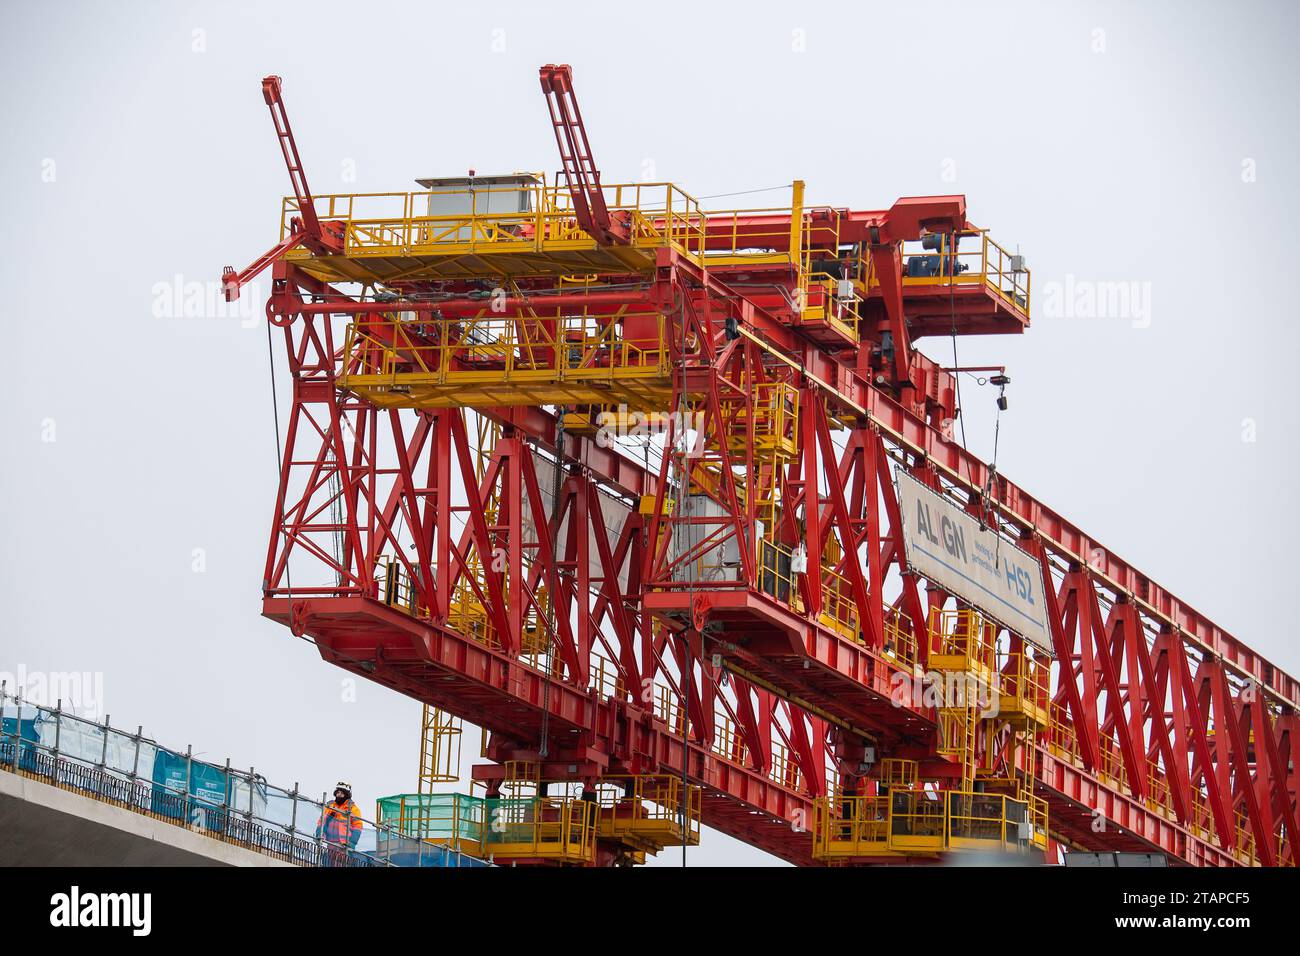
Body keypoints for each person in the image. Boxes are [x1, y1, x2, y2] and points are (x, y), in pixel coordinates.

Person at [316, 781, 363, 849]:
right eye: (338, 792)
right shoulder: (330, 806)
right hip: (331, 842)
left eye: (342, 793)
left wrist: (352, 843)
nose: (339, 794)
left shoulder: (353, 809)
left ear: (346, 795)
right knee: (329, 859)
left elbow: (357, 827)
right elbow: (322, 821)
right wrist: (319, 834)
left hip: (344, 845)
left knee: (343, 859)